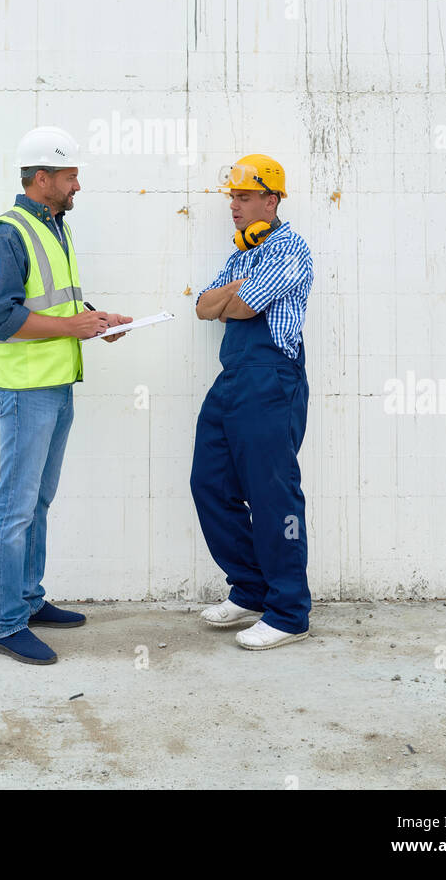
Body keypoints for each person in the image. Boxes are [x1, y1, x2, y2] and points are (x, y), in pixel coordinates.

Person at [0, 126, 132, 665]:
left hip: (56, 384)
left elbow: (58, 305)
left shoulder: (54, 226)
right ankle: (7, 624)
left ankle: (29, 599)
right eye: (70, 177)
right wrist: (73, 329)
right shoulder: (7, 234)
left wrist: (98, 319)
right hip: (23, 390)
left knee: (38, 501)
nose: (77, 186)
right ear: (40, 178)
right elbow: (0, 316)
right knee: (14, 508)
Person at [191, 154, 314, 651]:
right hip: (233, 379)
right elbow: (203, 307)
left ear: (271, 198)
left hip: (271, 381)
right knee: (210, 484)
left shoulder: (290, 246)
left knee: (271, 495)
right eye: (233, 198)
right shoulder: (243, 253)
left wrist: (232, 294)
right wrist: (235, 289)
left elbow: (237, 307)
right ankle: (252, 589)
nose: (235, 207)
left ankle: (288, 611)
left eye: (243, 197)